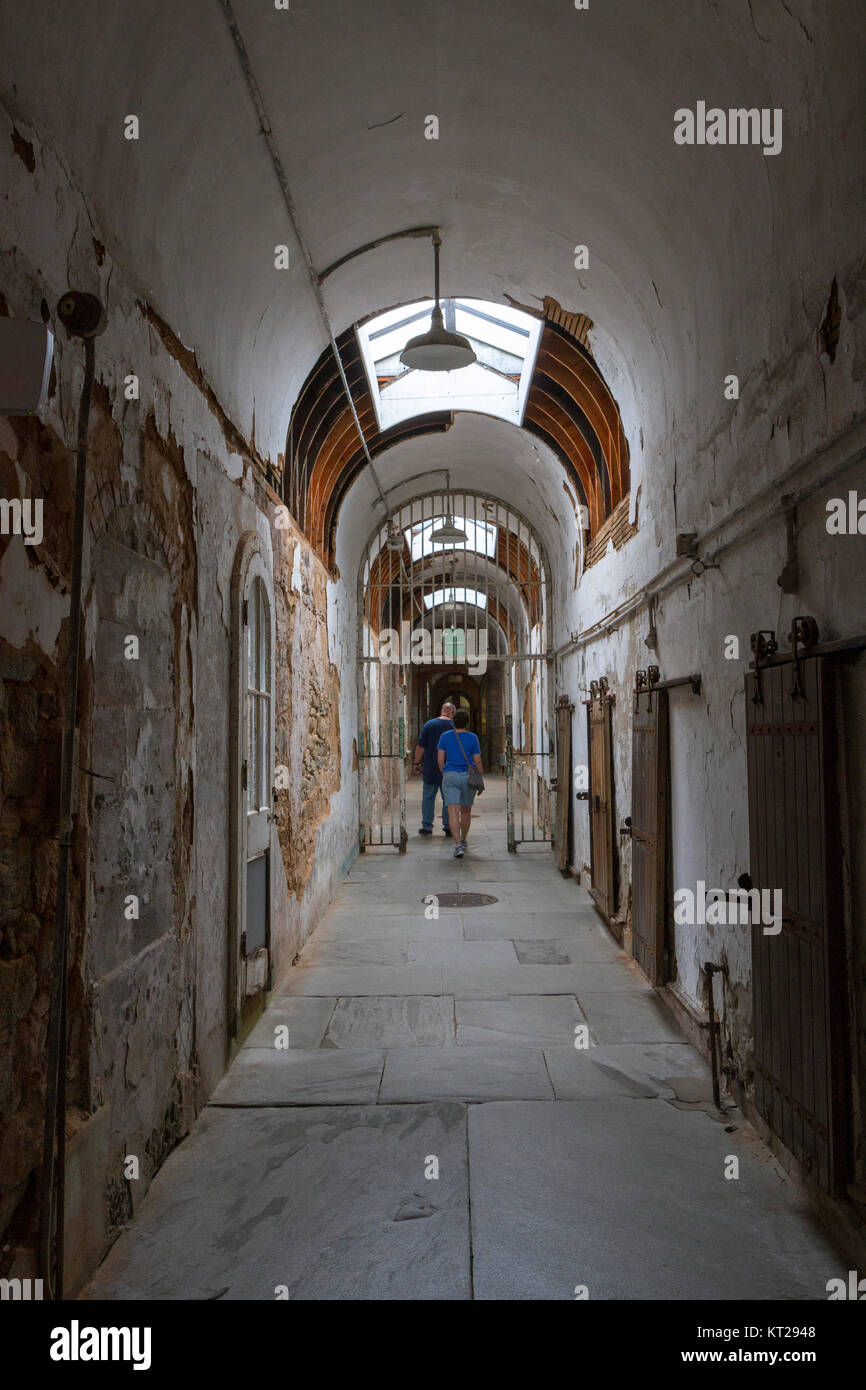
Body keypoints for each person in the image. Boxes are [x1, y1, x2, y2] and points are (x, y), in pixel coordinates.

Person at [437, 708, 483, 858]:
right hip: (468, 777)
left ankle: (457, 845)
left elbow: (440, 760)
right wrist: (479, 778)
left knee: (453, 812)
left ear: (453, 722)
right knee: (466, 811)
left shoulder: (445, 736)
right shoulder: (473, 737)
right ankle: (463, 840)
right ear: (467, 723)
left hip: (450, 775)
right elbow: (477, 760)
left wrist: (446, 773)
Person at [412, 702, 455, 836]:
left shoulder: (429, 725)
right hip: (449, 768)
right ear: (452, 712)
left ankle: (427, 826)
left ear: (442, 710)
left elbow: (421, 746)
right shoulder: (454, 726)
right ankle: (448, 827)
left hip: (430, 767)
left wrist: (416, 763)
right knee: (448, 799)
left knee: (428, 798)